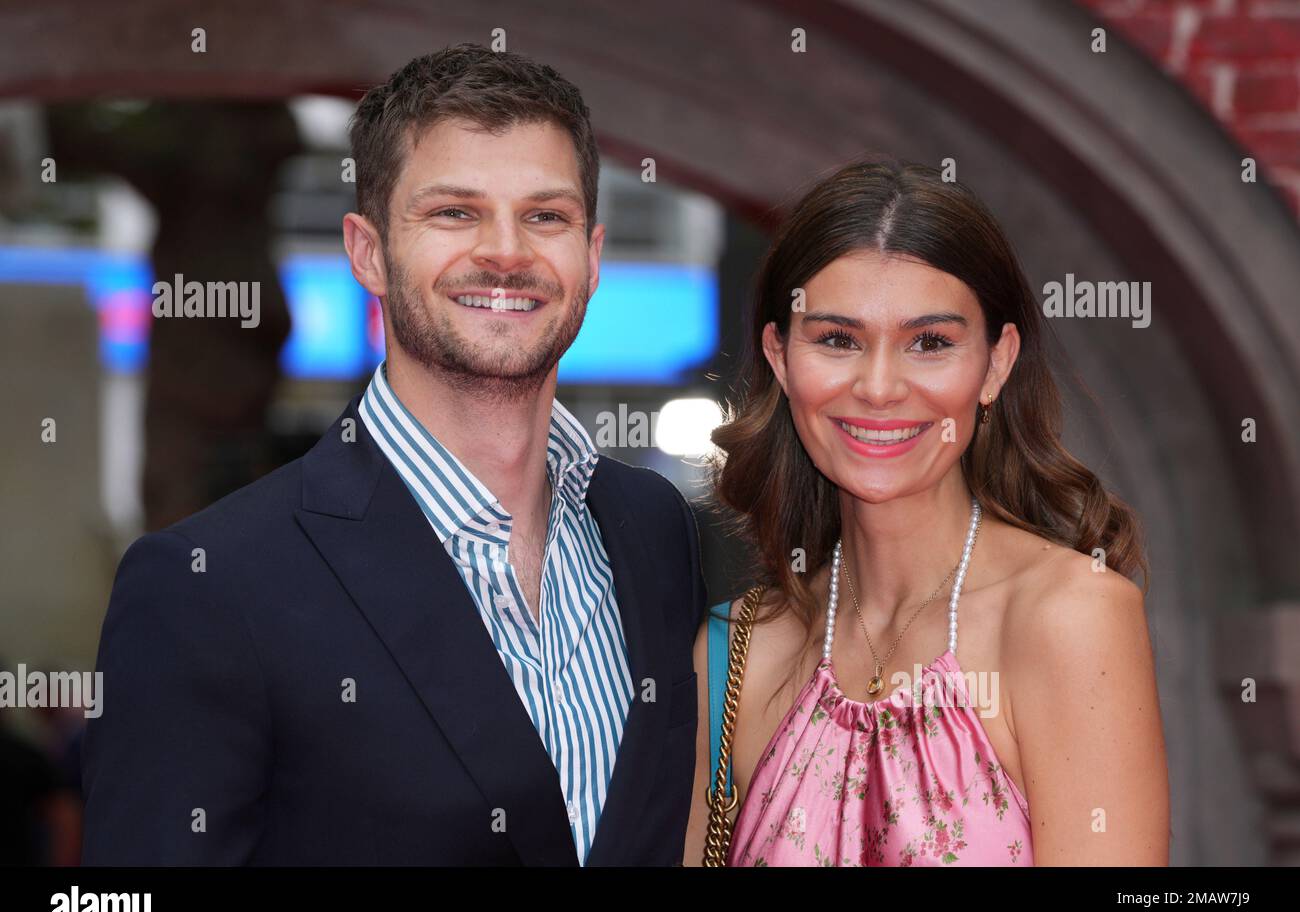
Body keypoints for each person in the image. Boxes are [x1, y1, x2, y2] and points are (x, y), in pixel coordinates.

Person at [82, 43, 706, 866]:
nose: (506, 252)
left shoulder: (652, 527)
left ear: (590, 259)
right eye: (454, 212)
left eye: (545, 216)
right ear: (368, 251)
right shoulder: (207, 588)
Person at [683, 158, 1169, 866]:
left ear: (996, 365)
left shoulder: (1069, 615)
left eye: (931, 343)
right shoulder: (738, 652)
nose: (879, 387)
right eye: (838, 339)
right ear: (781, 357)